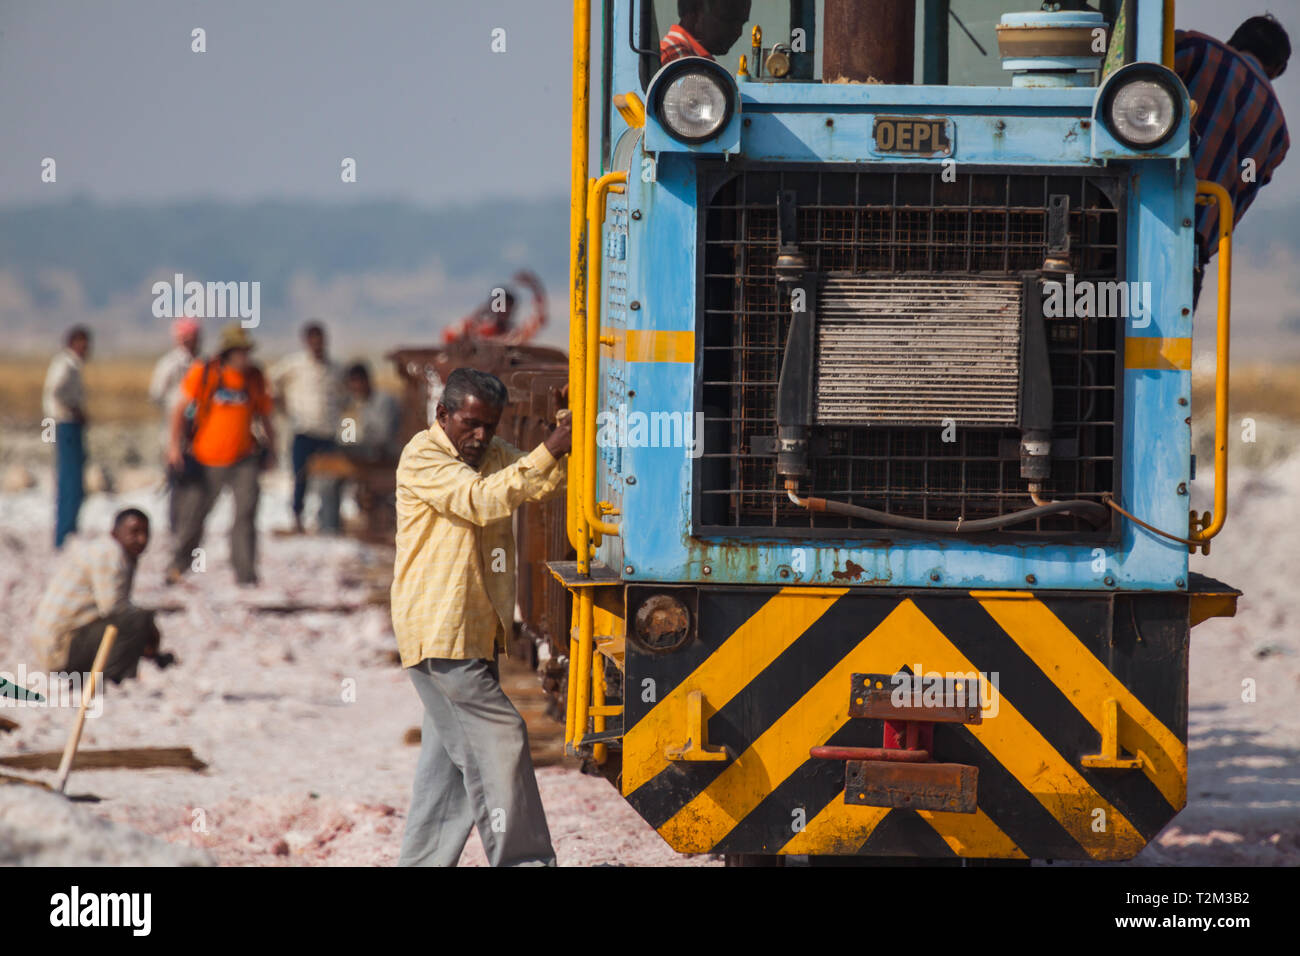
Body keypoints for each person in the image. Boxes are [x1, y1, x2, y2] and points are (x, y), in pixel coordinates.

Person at [391, 368, 570, 867]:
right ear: (442, 414)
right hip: (439, 634)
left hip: (474, 634)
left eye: (490, 426)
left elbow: (540, 484)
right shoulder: (422, 457)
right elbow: (480, 499)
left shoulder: (490, 455)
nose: (481, 436)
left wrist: (567, 428)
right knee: (502, 738)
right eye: (471, 424)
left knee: (446, 773)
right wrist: (553, 446)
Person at [1176, 15, 1290, 309]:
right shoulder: (1277, 130)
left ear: (1235, 39)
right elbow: (1247, 180)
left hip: (1134, 208)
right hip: (1193, 242)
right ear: (1277, 68)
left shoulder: (1198, 48)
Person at [165, 322, 276, 586]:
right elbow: (180, 409)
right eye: (240, 352)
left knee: (245, 516)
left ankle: (246, 575)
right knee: (193, 518)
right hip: (206, 459)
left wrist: (272, 449)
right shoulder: (206, 373)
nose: (245, 358)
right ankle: (178, 567)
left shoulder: (254, 378)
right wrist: (173, 448)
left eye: (247, 352)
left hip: (244, 459)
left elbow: (265, 416)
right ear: (228, 352)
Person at [30, 509, 172, 683]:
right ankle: (113, 680)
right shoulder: (110, 554)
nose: (141, 540)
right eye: (134, 532)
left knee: (135, 620)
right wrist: (149, 627)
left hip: (67, 641)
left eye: (145, 533)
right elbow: (113, 609)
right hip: (60, 649)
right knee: (137, 619)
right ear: (115, 532)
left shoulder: (116, 553)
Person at [270, 322, 345, 533]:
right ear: (306, 342)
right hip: (303, 430)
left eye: (320, 339)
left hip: (328, 432)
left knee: (329, 478)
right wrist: (281, 406)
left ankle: (327, 522)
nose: (317, 344)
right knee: (300, 476)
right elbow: (271, 382)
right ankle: (297, 517)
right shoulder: (294, 365)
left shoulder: (336, 368)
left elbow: (345, 395)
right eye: (313, 340)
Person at [148, 318, 203, 531]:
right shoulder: (169, 364)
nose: (191, 340)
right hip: (175, 430)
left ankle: (192, 523)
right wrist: (177, 405)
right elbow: (156, 394)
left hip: (198, 430)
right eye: (187, 336)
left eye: (194, 336)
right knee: (176, 477)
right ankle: (175, 524)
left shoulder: (202, 362)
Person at [43, 327, 91, 549]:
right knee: (70, 480)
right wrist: (73, 409)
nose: (86, 348)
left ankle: (68, 532)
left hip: (67, 424)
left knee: (73, 479)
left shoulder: (71, 364)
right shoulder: (65, 364)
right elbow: (55, 390)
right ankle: (64, 536)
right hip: (65, 424)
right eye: (82, 343)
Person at [341, 362, 402, 462]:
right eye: (352, 383)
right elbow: (347, 436)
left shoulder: (384, 401)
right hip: (360, 451)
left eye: (358, 381)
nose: (355, 386)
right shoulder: (352, 402)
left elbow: (383, 435)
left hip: (384, 454)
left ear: (366, 380)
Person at [660, 0, 751, 64]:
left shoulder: (693, 60)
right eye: (728, 20)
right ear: (696, 10)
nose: (739, 32)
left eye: (741, 24)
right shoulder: (674, 59)